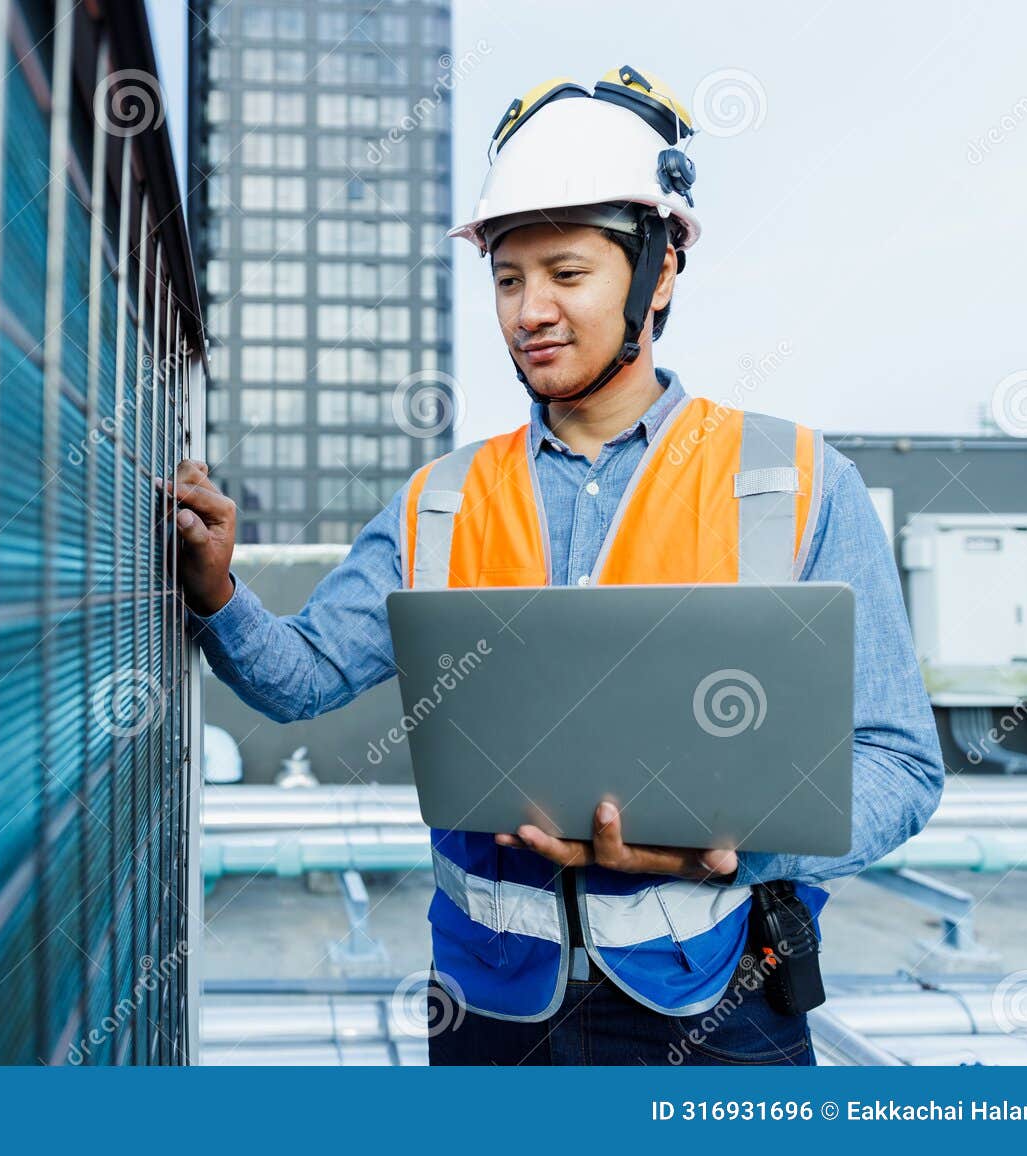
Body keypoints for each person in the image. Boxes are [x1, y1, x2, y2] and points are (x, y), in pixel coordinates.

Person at [168, 66, 944, 1066]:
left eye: (566, 273)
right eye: (506, 276)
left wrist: (738, 848)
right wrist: (217, 591)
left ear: (658, 272)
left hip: (720, 1011)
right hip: (491, 1018)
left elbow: (898, 765)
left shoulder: (791, 481)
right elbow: (302, 678)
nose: (529, 309)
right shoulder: (439, 500)